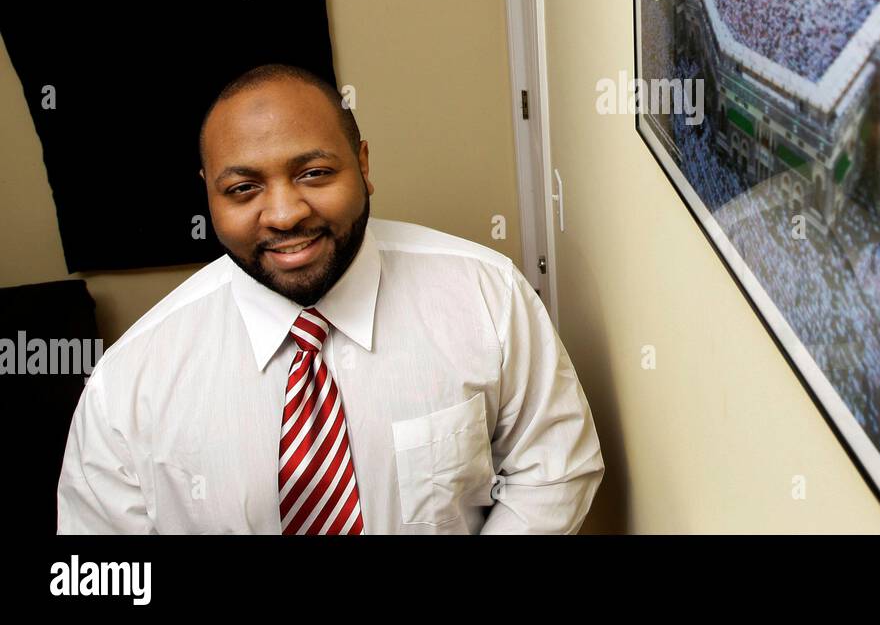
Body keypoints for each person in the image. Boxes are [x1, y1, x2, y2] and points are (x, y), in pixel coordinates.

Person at [56, 63, 604, 534]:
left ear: (363, 165)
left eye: (314, 173)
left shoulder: (487, 294)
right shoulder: (127, 383)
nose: (285, 213)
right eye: (243, 189)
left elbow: (552, 466)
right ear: (208, 193)